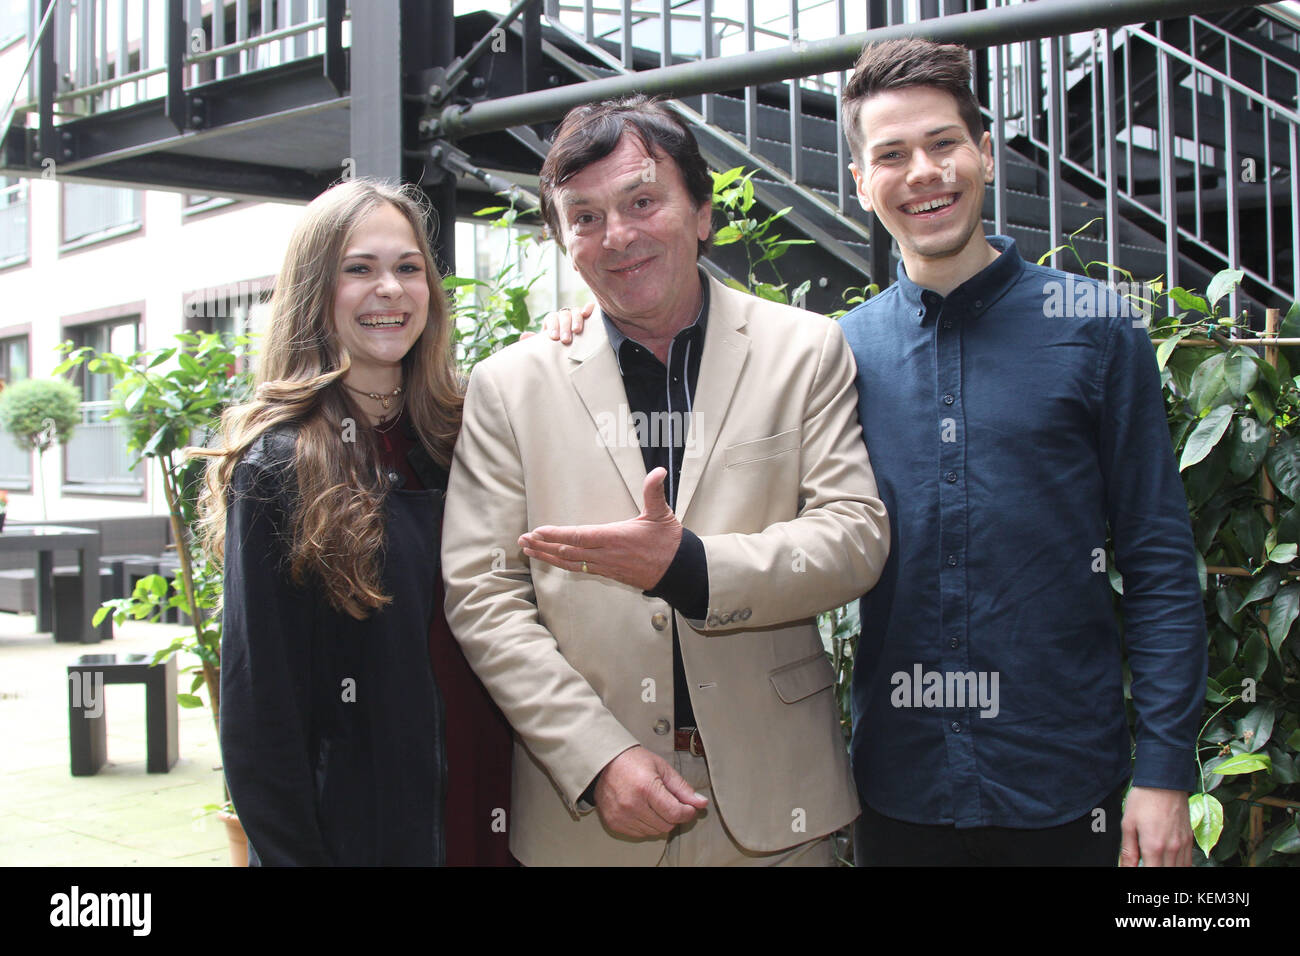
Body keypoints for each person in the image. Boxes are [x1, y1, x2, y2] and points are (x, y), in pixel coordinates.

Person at [440, 96, 890, 866]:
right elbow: (484, 596)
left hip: (772, 803)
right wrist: (596, 756)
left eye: (643, 201)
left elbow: (854, 536)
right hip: (587, 812)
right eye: (584, 218)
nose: (618, 236)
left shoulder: (805, 351)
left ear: (703, 213)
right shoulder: (509, 386)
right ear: (562, 240)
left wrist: (690, 569)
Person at [835, 37, 1206, 865]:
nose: (923, 172)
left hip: (1067, 788)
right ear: (862, 184)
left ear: (986, 156)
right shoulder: (839, 353)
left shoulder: (1097, 324)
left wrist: (1166, 771)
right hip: (900, 790)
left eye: (943, 144)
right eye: (891, 155)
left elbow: (1156, 560)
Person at [195, 178, 513, 866]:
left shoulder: (470, 436)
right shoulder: (281, 465)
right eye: (359, 269)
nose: (391, 289)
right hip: (365, 840)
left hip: (496, 816)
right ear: (316, 293)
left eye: (408, 268)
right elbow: (261, 716)